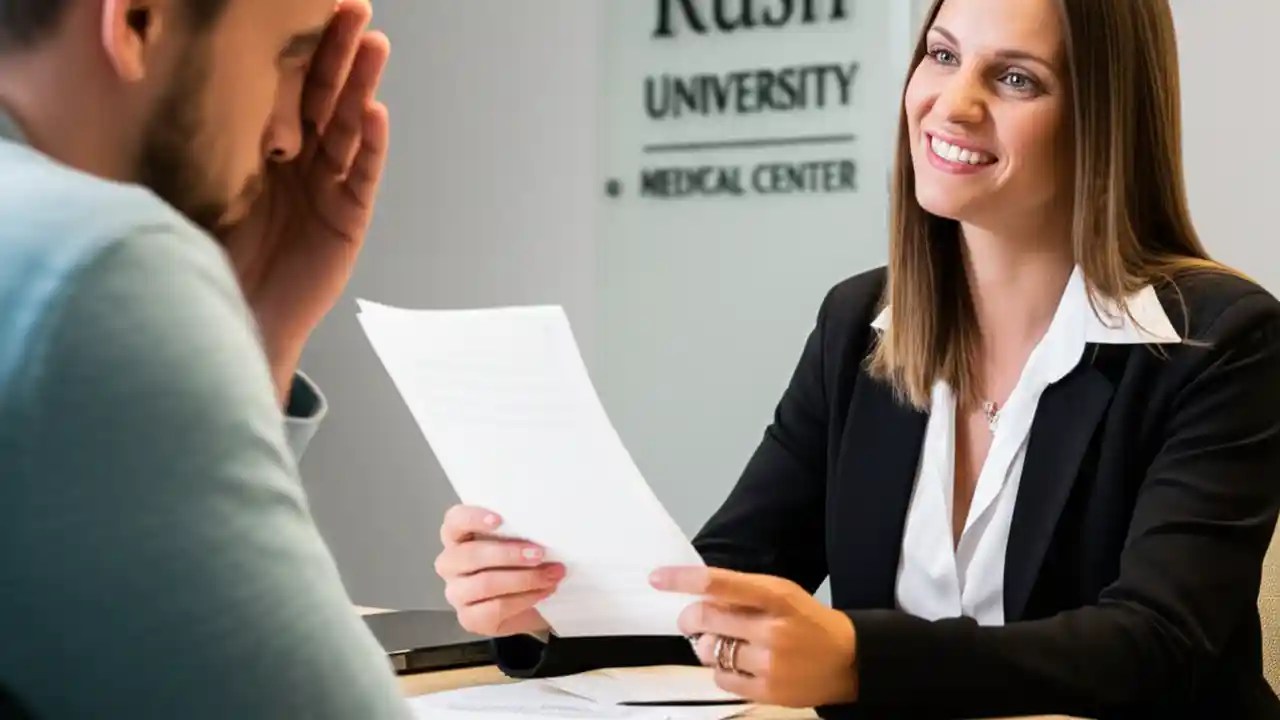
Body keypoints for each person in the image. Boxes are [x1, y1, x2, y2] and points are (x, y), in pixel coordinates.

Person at [435, 0, 1280, 717]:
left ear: (1105, 116)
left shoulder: (1221, 340)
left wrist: (853, 657)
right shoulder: (858, 324)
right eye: (941, 56)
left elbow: (1158, 645)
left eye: (1015, 78)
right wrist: (553, 608)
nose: (953, 103)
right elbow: (731, 585)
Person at [0, 0, 412, 717]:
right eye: (289, 56)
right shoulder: (93, 264)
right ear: (136, 21)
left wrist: (259, 332)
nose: (288, 137)